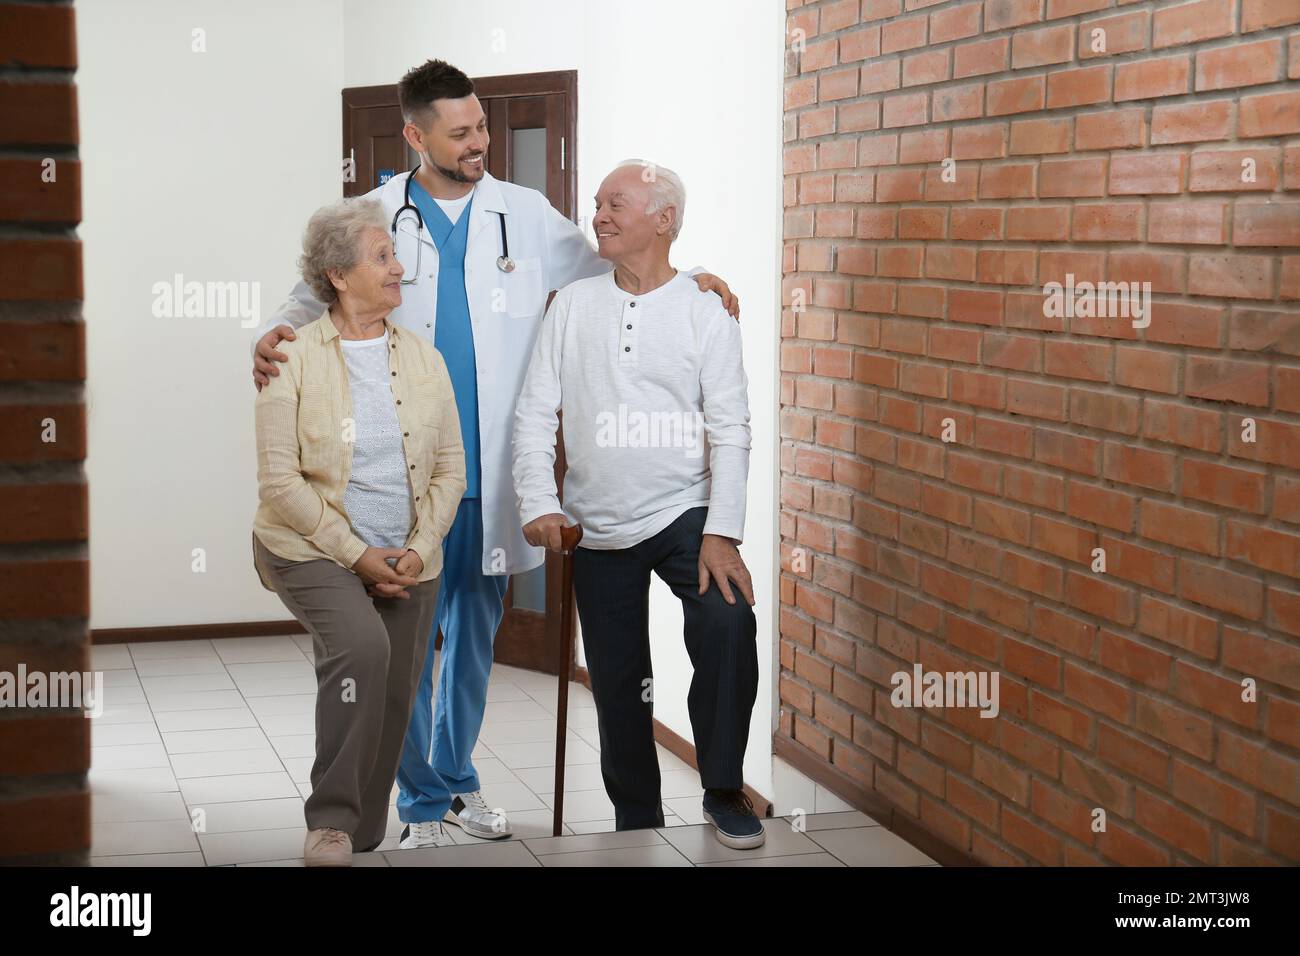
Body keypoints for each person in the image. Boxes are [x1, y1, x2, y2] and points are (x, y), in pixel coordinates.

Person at [250, 59, 743, 848]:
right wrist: (271, 336)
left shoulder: (523, 211)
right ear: (415, 135)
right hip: (395, 473)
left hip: (483, 468)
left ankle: (454, 778)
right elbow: (311, 293)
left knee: (474, 640)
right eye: (461, 132)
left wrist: (694, 279)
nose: (480, 142)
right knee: (402, 642)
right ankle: (414, 797)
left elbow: (612, 271)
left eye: (481, 126)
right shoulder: (375, 212)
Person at [513, 160, 762, 848]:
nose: (599, 213)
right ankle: (636, 819)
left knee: (727, 622)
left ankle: (721, 787)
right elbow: (536, 414)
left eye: (615, 203)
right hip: (595, 520)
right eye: (597, 203)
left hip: (685, 512)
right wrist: (541, 501)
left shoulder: (705, 310)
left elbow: (732, 428)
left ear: (664, 219)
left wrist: (724, 531)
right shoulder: (572, 305)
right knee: (620, 681)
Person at [252, 196, 465, 866]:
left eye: (396, 256)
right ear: (340, 277)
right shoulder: (292, 356)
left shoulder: (424, 360)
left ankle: (364, 833)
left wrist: (417, 549)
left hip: (405, 555)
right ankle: (332, 822)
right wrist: (359, 556)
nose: (400, 268)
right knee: (362, 649)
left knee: (397, 688)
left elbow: (451, 468)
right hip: (306, 547)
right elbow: (280, 484)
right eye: (384, 257)